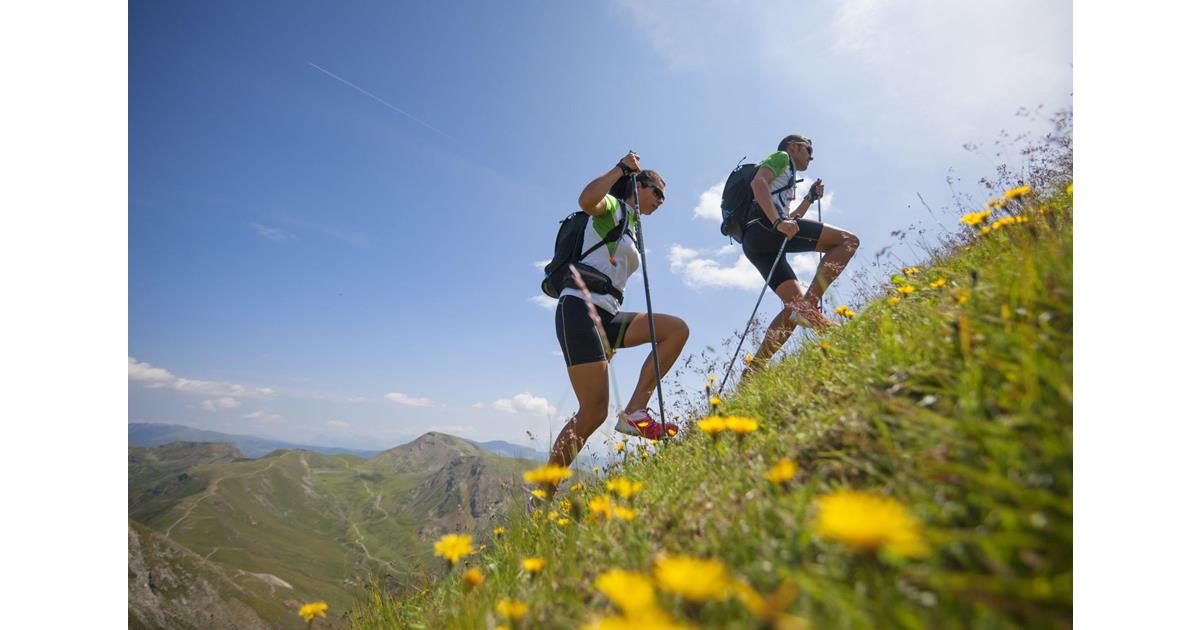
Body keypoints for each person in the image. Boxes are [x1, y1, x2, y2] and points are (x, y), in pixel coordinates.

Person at [546, 151, 688, 483]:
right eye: (659, 193)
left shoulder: (632, 225)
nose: (662, 202)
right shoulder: (612, 208)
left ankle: (635, 412)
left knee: (675, 330)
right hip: (580, 307)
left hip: (608, 313)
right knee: (593, 412)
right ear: (639, 185)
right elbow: (586, 200)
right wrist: (620, 168)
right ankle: (542, 493)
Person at [741, 134, 860, 372]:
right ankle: (813, 310)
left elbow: (791, 220)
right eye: (809, 150)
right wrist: (776, 222)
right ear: (794, 147)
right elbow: (758, 184)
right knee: (848, 241)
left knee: (793, 308)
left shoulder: (787, 177)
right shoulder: (781, 157)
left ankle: (754, 370)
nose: (811, 157)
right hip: (767, 228)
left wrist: (809, 198)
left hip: (755, 240)